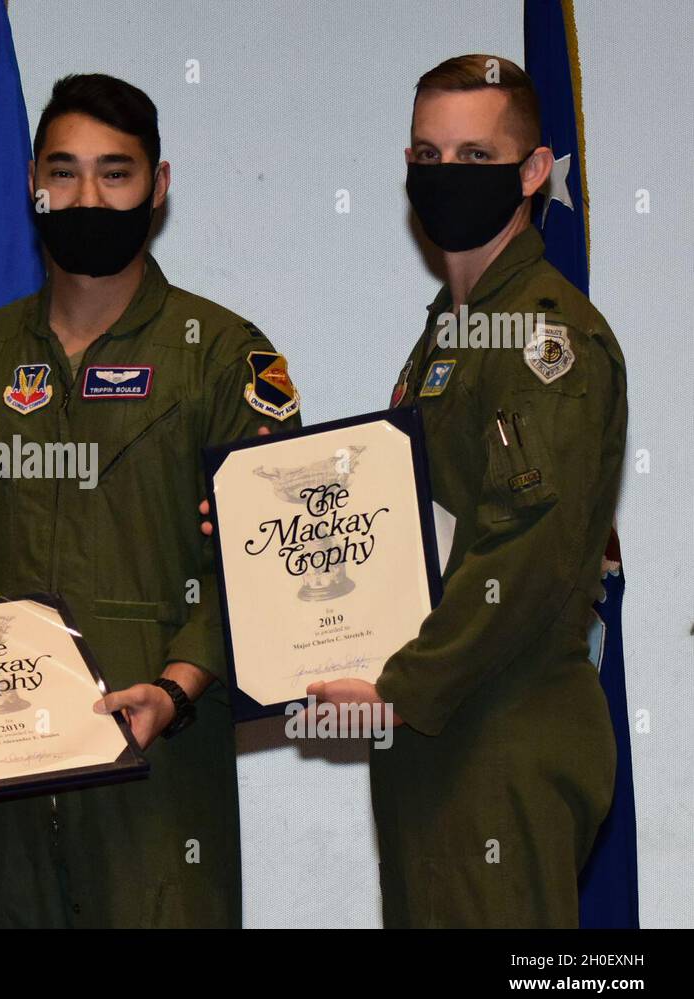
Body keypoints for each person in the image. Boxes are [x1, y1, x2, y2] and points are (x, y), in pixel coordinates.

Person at [0, 74, 301, 928]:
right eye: (63, 172)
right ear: (32, 182)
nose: (87, 195)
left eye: (116, 172)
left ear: (159, 185)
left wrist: (180, 686)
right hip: (6, 768)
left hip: (160, 772)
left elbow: (270, 552)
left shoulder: (221, 355)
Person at [306, 55, 627, 927]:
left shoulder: (539, 338)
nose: (446, 177)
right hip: (442, 730)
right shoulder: (452, 335)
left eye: (475, 157)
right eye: (427, 155)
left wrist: (402, 688)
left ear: (531, 173)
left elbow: (525, 548)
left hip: (499, 726)